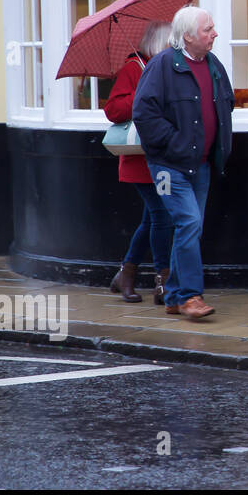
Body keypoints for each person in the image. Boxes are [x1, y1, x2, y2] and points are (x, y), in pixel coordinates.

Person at [133, 6, 235, 321]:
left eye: (213, 28)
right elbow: (143, 113)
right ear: (188, 36)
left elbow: (226, 101)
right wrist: (176, 143)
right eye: (208, 29)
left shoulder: (214, 65)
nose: (214, 33)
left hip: (201, 164)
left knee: (189, 227)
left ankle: (175, 295)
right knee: (189, 223)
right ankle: (191, 296)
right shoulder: (162, 65)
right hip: (167, 167)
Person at [103, 21, 174, 304]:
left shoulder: (165, 70)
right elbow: (113, 109)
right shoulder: (135, 67)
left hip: (162, 155)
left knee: (152, 218)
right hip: (139, 158)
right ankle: (163, 280)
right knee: (161, 215)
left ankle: (125, 275)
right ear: (159, 44)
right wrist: (144, 95)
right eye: (171, 44)